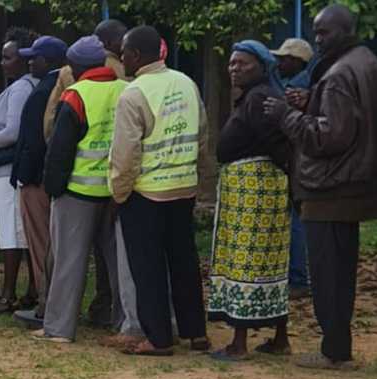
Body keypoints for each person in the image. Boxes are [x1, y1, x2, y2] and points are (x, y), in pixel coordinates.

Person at [264, 4, 377, 371]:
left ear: (346, 31)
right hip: (352, 182)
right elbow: (349, 119)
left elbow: (328, 137)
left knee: (328, 273)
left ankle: (334, 350)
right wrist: (312, 103)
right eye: (316, 32)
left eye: (324, 33)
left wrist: (287, 116)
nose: (317, 40)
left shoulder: (339, 74)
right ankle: (337, 345)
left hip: (330, 186)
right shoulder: (367, 62)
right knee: (341, 271)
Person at [110, 26, 213, 357]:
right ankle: (196, 332)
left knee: (148, 267)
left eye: (124, 54)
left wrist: (119, 193)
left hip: (146, 193)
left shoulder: (133, 94)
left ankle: (158, 338)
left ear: (136, 55)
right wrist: (198, 179)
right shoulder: (187, 84)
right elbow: (202, 136)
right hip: (183, 188)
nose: (121, 59)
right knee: (184, 261)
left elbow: (126, 154)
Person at [31, 36, 128, 345]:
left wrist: (53, 188)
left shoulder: (76, 94)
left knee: (69, 262)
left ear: (74, 67)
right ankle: (125, 324)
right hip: (115, 192)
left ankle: (59, 328)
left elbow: (60, 149)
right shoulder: (125, 89)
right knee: (119, 264)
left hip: (77, 192)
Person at [206, 41, 295, 361]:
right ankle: (280, 338)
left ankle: (239, 344)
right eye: (232, 63)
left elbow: (275, 143)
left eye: (242, 63)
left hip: (254, 189)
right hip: (254, 188)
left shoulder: (259, 98)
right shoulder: (258, 95)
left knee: (246, 261)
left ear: (262, 66)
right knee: (269, 261)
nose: (234, 68)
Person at [10, 36, 67, 329]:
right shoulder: (59, 86)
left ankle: (47, 305)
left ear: (52, 60)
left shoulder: (46, 90)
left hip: (36, 179)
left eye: (37, 57)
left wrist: (24, 175)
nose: (30, 62)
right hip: (50, 177)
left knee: (42, 243)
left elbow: (35, 141)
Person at [0, 27, 40, 315]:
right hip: (19, 167)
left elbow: (13, 132)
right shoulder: (31, 85)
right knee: (23, 231)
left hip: (9, 167)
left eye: (8, 57)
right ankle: (31, 290)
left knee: (10, 232)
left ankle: (7, 294)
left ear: (24, 58)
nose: (2, 63)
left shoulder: (20, 89)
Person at [271, 37, 316, 297]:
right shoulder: (298, 84)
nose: (279, 63)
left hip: (298, 161)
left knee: (297, 220)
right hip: (299, 161)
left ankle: (298, 279)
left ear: (297, 62)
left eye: (284, 59)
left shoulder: (296, 90)